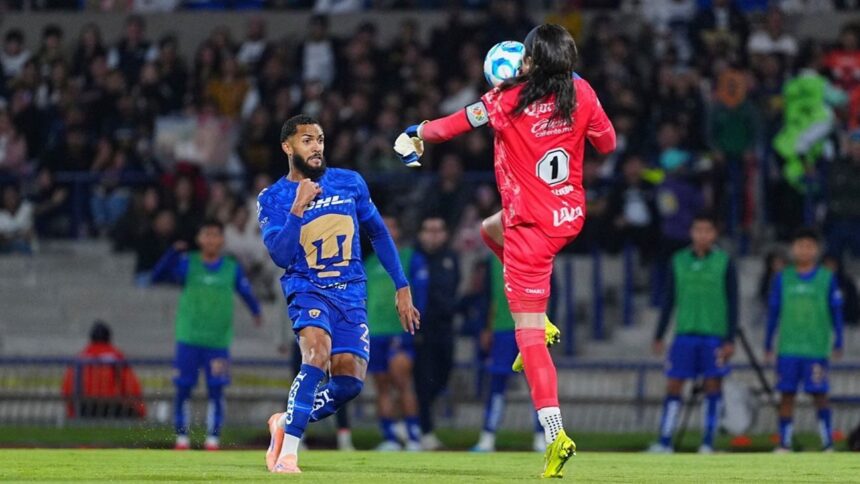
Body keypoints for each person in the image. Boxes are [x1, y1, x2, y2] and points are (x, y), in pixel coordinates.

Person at [395, 24, 615, 477]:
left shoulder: (506, 100)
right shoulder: (582, 90)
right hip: (568, 216)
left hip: (530, 231)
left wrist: (415, 131)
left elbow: (448, 127)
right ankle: (540, 318)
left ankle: (555, 436)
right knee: (486, 229)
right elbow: (607, 145)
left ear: (534, 62)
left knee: (527, 337)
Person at [257, 115, 419, 474]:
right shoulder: (273, 197)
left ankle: (284, 423)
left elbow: (377, 233)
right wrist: (298, 207)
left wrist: (402, 285)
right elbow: (281, 256)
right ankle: (288, 457)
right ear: (288, 147)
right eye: (307, 141)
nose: (316, 147)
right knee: (316, 354)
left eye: (320, 140)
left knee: (348, 382)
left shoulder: (350, 182)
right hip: (308, 288)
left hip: (350, 294)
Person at [151, 219, 263, 451]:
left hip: (217, 341)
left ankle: (213, 439)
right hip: (189, 337)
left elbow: (246, 292)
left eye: (215, 235)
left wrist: (256, 312)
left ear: (222, 239)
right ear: (199, 239)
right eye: (207, 234)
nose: (211, 240)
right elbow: (156, 276)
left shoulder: (231, 267)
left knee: (216, 390)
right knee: (183, 388)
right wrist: (172, 253)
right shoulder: (188, 263)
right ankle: (182, 438)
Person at [649, 214, 738, 454]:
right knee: (674, 385)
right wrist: (659, 334)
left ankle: (708, 442)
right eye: (698, 230)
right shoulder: (678, 260)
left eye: (707, 230)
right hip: (684, 334)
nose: (702, 235)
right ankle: (664, 440)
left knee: (713, 387)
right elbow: (668, 300)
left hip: (714, 336)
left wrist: (730, 339)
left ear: (714, 233)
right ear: (691, 233)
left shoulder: (724, 262)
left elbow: (733, 302)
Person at [765, 228, 844, 452]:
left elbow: (836, 311)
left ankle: (828, 443)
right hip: (788, 347)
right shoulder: (783, 277)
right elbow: (773, 311)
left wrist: (838, 340)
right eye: (800, 245)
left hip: (816, 348)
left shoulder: (827, 278)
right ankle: (784, 443)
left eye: (809, 246)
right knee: (787, 395)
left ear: (817, 250)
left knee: (820, 395)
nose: (804, 250)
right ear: (792, 249)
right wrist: (768, 342)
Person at [472, 255, 545, 453]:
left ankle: (542, 437)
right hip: (502, 330)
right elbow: (486, 297)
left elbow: (552, 293)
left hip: (532, 328)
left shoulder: (539, 254)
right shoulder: (491, 261)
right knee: (497, 385)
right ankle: (487, 437)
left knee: (537, 386)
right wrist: (485, 327)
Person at [365, 215, 422, 451]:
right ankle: (389, 437)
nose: (387, 230)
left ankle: (413, 436)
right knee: (382, 386)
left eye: (391, 226)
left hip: (399, 330)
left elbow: (421, 293)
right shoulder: (368, 263)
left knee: (403, 381)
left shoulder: (410, 258)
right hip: (374, 331)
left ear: (398, 231)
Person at [410, 215, 460, 451]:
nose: (433, 235)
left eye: (438, 230)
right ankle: (423, 429)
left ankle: (415, 421)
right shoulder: (413, 258)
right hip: (421, 330)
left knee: (442, 376)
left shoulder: (451, 258)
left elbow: (453, 290)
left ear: (446, 234)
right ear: (420, 233)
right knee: (423, 381)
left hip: (444, 328)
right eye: (428, 230)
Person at [61, 321, 146, 419]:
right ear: (108, 338)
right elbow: (131, 387)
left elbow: (67, 388)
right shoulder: (117, 357)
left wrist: (72, 413)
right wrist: (141, 411)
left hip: (85, 408)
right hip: (112, 407)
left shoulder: (80, 358)